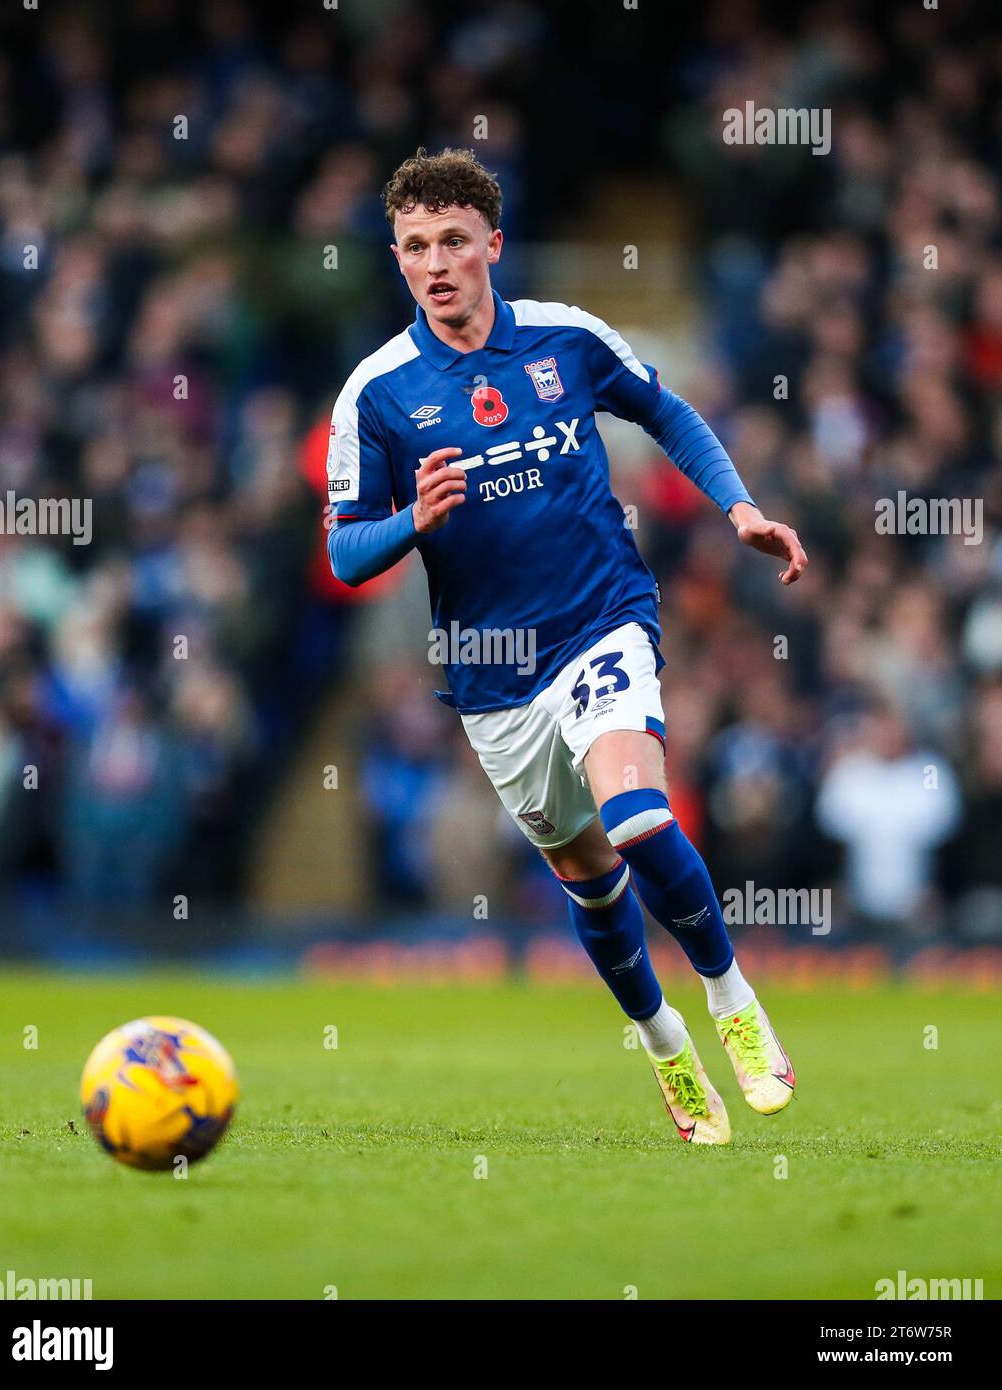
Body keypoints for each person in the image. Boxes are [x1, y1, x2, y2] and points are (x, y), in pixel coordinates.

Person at [326, 147, 808, 1144]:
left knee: (637, 816)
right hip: (492, 674)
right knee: (589, 880)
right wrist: (411, 520)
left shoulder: (566, 338)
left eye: (452, 241)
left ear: (491, 245)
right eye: (414, 247)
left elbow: (662, 409)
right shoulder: (375, 394)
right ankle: (666, 1043)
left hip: (600, 620)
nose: (434, 262)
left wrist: (739, 506)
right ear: (397, 258)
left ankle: (730, 1002)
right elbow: (342, 550)